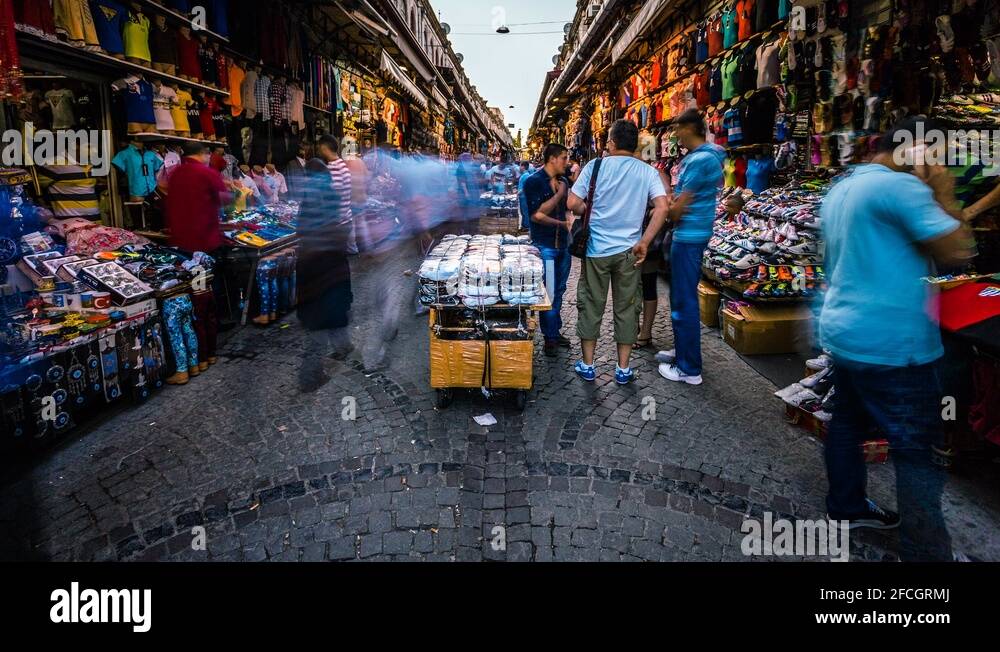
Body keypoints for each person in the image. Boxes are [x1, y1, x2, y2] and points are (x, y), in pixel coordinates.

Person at [818, 117, 975, 560]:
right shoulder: (900, 189)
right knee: (916, 449)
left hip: (845, 333)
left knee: (846, 422)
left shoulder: (844, 187)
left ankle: (846, 506)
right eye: (937, 155)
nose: (940, 164)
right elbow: (958, 249)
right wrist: (941, 190)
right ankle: (926, 551)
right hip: (893, 344)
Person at [567, 119, 670, 385]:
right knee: (627, 308)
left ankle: (588, 364)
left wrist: (588, 211)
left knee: (590, 305)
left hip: (596, 249)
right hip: (630, 252)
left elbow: (573, 203)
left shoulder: (595, 166)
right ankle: (623, 368)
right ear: (635, 144)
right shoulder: (648, 171)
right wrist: (645, 241)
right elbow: (662, 207)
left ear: (611, 143)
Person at [655, 109, 725, 386]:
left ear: (690, 128)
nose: (673, 134)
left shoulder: (698, 161)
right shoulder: (710, 156)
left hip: (688, 236)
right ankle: (683, 351)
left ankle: (689, 368)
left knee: (683, 301)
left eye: (677, 128)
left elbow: (676, 211)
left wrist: (668, 201)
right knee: (681, 298)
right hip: (694, 233)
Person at [163, 142, 232, 382]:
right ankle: (205, 356)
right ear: (203, 154)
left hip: (181, 247)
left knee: (193, 301)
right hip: (204, 247)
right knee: (204, 303)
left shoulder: (176, 173)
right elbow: (226, 199)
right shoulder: (207, 173)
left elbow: (164, 193)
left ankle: (196, 360)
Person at [296, 158, 354, 392]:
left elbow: (303, 229)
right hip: (330, 264)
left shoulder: (309, 197)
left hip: (314, 265)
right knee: (328, 314)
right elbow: (339, 226)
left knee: (322, 316)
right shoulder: (331, 194)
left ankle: (343, 346)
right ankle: (309, 376)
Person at [523, 143, 572, 357]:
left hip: (564, 245)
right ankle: (549, 338)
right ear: (552, 158)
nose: (567, 162)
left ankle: (554, 330)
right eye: (564, 158)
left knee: (559, 291)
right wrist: (560, 195)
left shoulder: (564, 181)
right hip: (545, 246)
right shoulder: (534, 181)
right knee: (549, 294)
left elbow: (570, 207)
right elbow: (536, 215)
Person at [637, 170, 673, 348]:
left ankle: (645, 332)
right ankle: (634, 328)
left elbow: (667, 199)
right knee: (630, 286)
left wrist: (652, 213)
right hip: (630, 237)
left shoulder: (654, 173)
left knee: (648, 284)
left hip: (648, 236)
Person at [517, 161, 533, 231]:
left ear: (523, 166)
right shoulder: (524, 175)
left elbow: (526, 187)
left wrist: (518, 193)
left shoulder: (526, 175)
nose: (519, 168)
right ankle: (524, 226)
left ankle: (526, 227)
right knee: (523, 212)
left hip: (524, 197)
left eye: (520, 166)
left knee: (525, 212)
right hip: (523, 196)